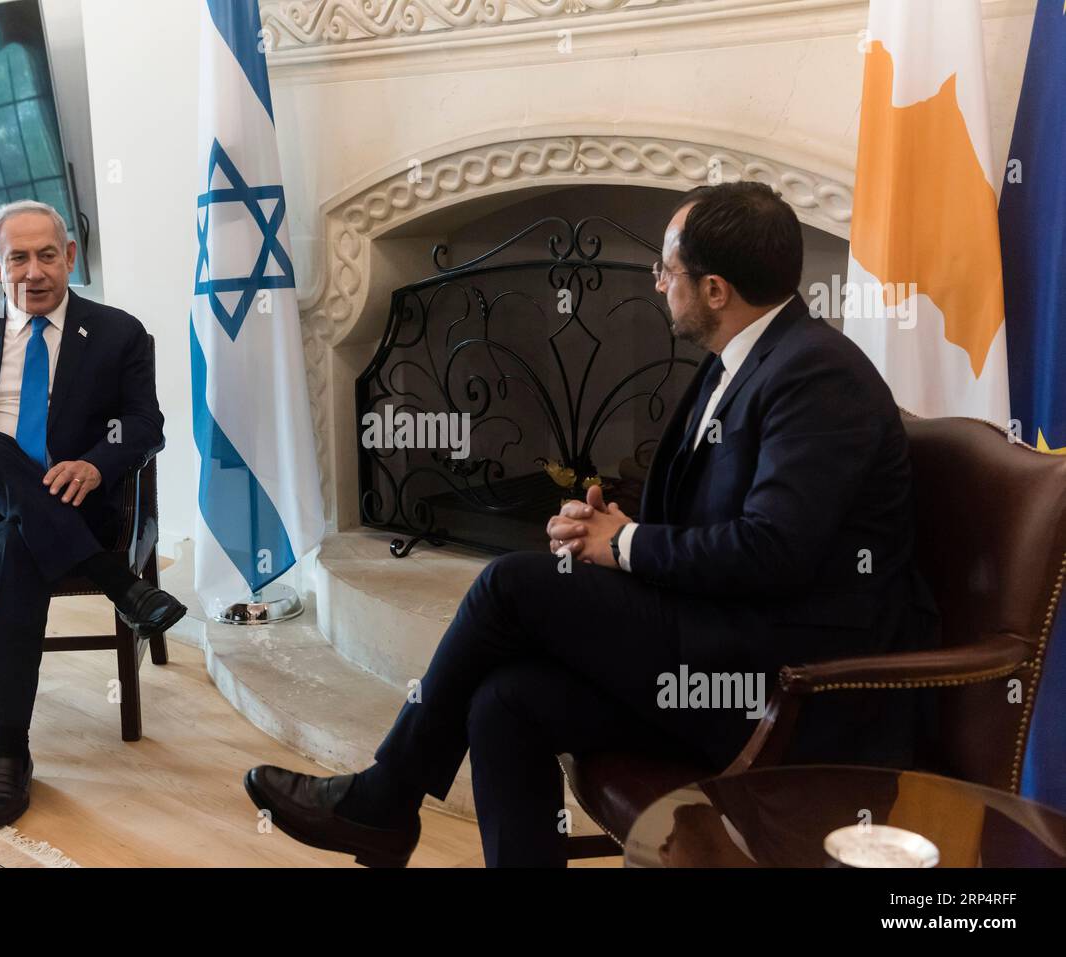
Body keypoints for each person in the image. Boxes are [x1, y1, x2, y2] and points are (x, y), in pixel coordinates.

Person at [242, 182, 940, 867]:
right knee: (502, 701)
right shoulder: (750, 357)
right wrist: (619, 525)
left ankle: (383, 799)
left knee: (510, 584)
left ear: (717, 290)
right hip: (722, 638)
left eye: (667, 268)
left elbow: (775, 550)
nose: (657, 281)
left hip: (784, 687)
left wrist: (627, 545)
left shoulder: (818, 377)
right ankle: (384, 806)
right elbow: (729, 515)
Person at [0, 200, 187, 830]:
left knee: (18, 543)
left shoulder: (118, 332)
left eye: (48, 254)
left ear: (70, 256)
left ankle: (6, 752)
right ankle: (117, 582)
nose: (34, 271)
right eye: (17, 257)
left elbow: (143, 424)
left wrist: (99, 463)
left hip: (70, 507)